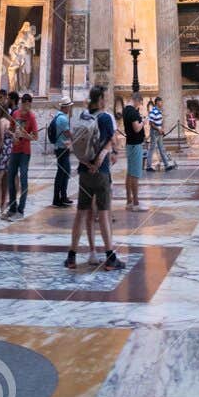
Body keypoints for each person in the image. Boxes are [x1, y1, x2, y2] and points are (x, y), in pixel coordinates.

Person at [65, 86, 124, 270]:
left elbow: (75, 144)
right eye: (104, 98)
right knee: (104, 213)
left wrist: (86, 162)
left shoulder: (83, 116)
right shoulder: (105, 118)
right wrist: (99, 160)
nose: (105, 101)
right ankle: (110, 257)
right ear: (99, 100)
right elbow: (110, 141)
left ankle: (72, 257)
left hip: (84, 172)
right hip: (101, 173)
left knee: (81, 213)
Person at [7, 91, 38, 216]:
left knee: (23, 178)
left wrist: (24, 135)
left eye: (29, 105)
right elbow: (10, 129)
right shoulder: (15, 113)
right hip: (15, 150)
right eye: (26, 105)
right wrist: (13, 135)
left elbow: (35, 137)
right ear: (23, 103)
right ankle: (12, 206)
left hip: (25, 151)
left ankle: (21, 208)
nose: (28, 107)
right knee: (10, 178)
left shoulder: (31, 117)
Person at [122, 90, 146, 211]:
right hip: (135, 145)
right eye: (140, 103)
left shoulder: (126, 110)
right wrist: (143, 122)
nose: (139, 105)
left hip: (129, 144)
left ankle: (129, 201)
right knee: (135, 174)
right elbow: (136, 128)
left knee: (130, 173)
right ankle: (136, 203)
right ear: (137, 100)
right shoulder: (133, 112)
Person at [51, 98, 72, 207]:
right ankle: (58, 198)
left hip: (59, 147)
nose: (69, 108)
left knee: (64, 172)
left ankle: (62, 196)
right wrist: (77, 137)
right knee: (62, 173)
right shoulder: (63, 119)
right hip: (62, 148)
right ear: (65, 107)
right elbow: (67, 133)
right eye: (69, 106)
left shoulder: (57, 116)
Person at [147, 95, 176, 172]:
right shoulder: (153, 111)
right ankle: (148, 166)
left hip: (159, 131)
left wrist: (162, 129)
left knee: (161, 148)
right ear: (157, 102)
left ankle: (166, 165)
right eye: (160, 102)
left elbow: (161, 121)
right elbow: (151, 123)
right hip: (154, 132)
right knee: (152, 148)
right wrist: (158, 129)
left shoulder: (159, 111)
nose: (161, 103)